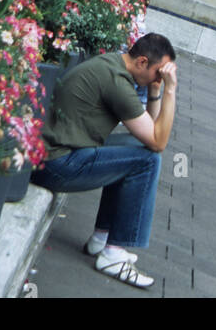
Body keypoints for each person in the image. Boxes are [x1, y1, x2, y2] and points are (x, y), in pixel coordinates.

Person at [31, 33, 178, 289]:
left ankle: (102, 238)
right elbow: (158, 142)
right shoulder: (116, 82)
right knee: (146, 161)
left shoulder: (115, 65)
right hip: (57, 165)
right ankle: (113, 255)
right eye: (157, 74)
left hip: (57, 154)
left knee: (136, 150)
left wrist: (155, 91)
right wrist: (171, 91)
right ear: (142, 62)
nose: (160, 79)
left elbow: (149, 136)